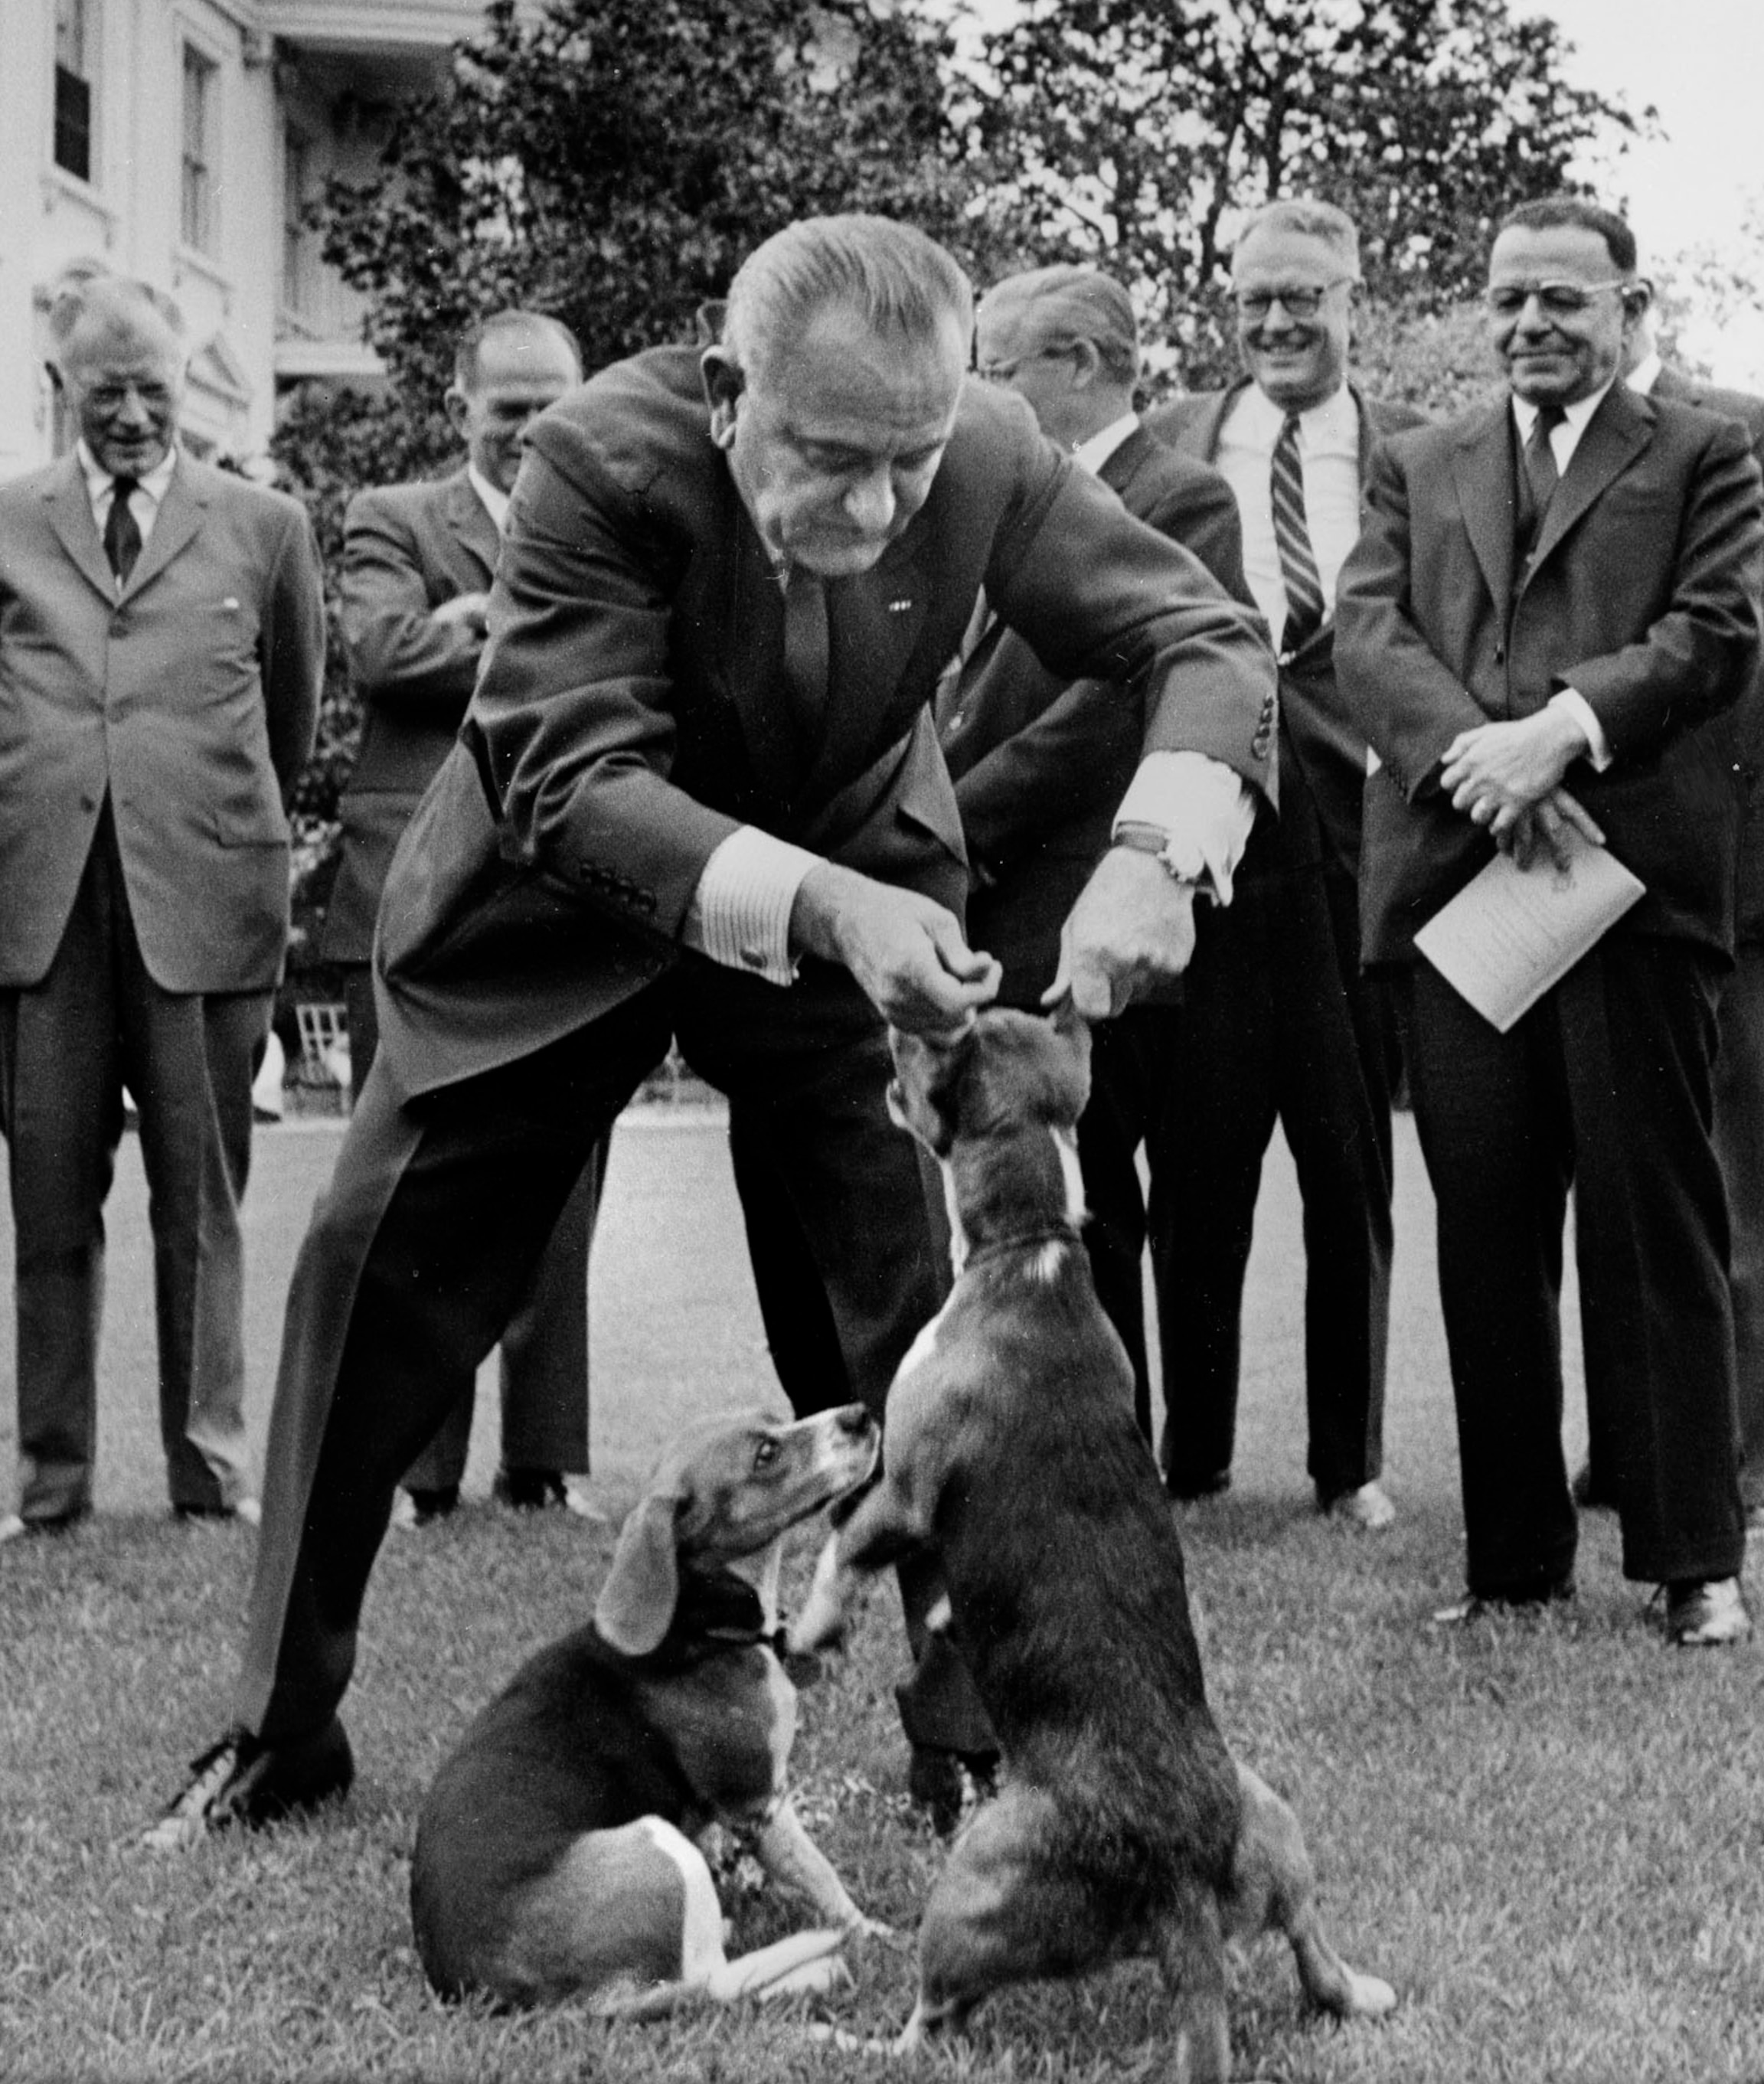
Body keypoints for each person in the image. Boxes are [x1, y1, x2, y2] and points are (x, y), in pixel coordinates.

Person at [148, 212, 1279, 1842]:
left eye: (913, 462)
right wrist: (828, 909)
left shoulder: (990, 451)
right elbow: (570, 777)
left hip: (860, 901)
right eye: (832, 459)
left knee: (912, 1311)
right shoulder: (601, 458)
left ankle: (970, 1733)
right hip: (562, 908)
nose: (882, 507)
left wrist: (1163, 853)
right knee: (369, 1281)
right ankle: (280, 1725)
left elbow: (1206, 639)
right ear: (732, 384)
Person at [1335, 197, 1762, 1645]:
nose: (1531, 324)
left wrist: (1563, 736)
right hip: (1467, 888)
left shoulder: (1708, 451)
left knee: (1656, 1222)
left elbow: (1715, 632)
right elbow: (1371, 639)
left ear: (1627, 308)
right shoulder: (1421, 460)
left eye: (1564, 301)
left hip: (1631, 895)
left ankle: (1693, 1557)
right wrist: (1492, 767)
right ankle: (1513, 1562)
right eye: (1510, 297)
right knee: (1485, 1227)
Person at [0, 275, 323, 1541]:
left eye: (153, 391)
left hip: (205, 906)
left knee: (202, 1206)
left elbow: (288, 717)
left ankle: (209, 1476)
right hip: (40, 916)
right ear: (59, 392)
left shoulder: (264, 525)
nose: (130, 415)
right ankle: (52, 1484)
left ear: (186, 392)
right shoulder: (8, 526)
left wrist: (208, 831)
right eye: (103, 392)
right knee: (49, 1200)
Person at [1132, 200, 1423, 1524]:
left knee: (1349, 1160)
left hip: (1361, 856)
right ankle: (1193, 1460)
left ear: (1355, 299)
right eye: (1252, 299)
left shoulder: (1417, 457)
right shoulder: (1173, 445)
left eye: (1302, 297)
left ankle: (1348, 1467)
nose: (1275, 323)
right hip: (1211, 841)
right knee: (1200, 1162)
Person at [948, 263, 1256, 1439]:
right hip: (992, 886)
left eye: (995, 367)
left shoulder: (1178, 497)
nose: (976, 393)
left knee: (1092, 1185)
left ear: (1078, 364)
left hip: (1085, 888)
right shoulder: (991, 493)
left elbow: (1104, 708)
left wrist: (953, 817)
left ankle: (1107, 1438)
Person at [326, 309, 602, 1525]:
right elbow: (382, 657)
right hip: (413, 897)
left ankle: (545, 1465)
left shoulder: (611, 514)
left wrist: (477, 624)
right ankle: (420, 1474)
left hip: (564, 887)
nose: (533, 425)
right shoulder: (391, 517)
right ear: (462, 408)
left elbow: (632, 663)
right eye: (509, 404)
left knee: (562, 1192)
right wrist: (532, 639)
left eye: (555, 400)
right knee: (413, 1194)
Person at [1572, 308, 1764, 1540]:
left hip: (1733, 878)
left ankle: (1735, 1459)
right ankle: (1635, 1445)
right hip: (1584, 868)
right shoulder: (1531, 456)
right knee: (1618, 1174)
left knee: (1731, 1182)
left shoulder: (1733, 434)